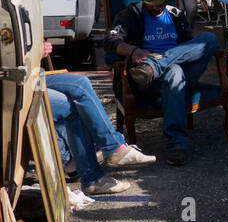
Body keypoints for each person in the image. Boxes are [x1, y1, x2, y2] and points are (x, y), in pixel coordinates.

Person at [107, 0, 220, 165]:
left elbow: (189, 48)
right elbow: (110, 41)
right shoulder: (131, 15)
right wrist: (133, 50)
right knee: (174, 72)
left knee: (210, 40)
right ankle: (177, 145)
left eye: (158, 3)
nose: (154, 6)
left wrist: (163, 62)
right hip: (145, 78)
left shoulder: (176, 15)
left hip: (178, 71)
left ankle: (156, 65)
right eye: (150, 2)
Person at [46, 67, 155, 199]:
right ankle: (102, 164)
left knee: (81, 82)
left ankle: (108, 155)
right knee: (72, 103)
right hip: (19, 86)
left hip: (31, 78)